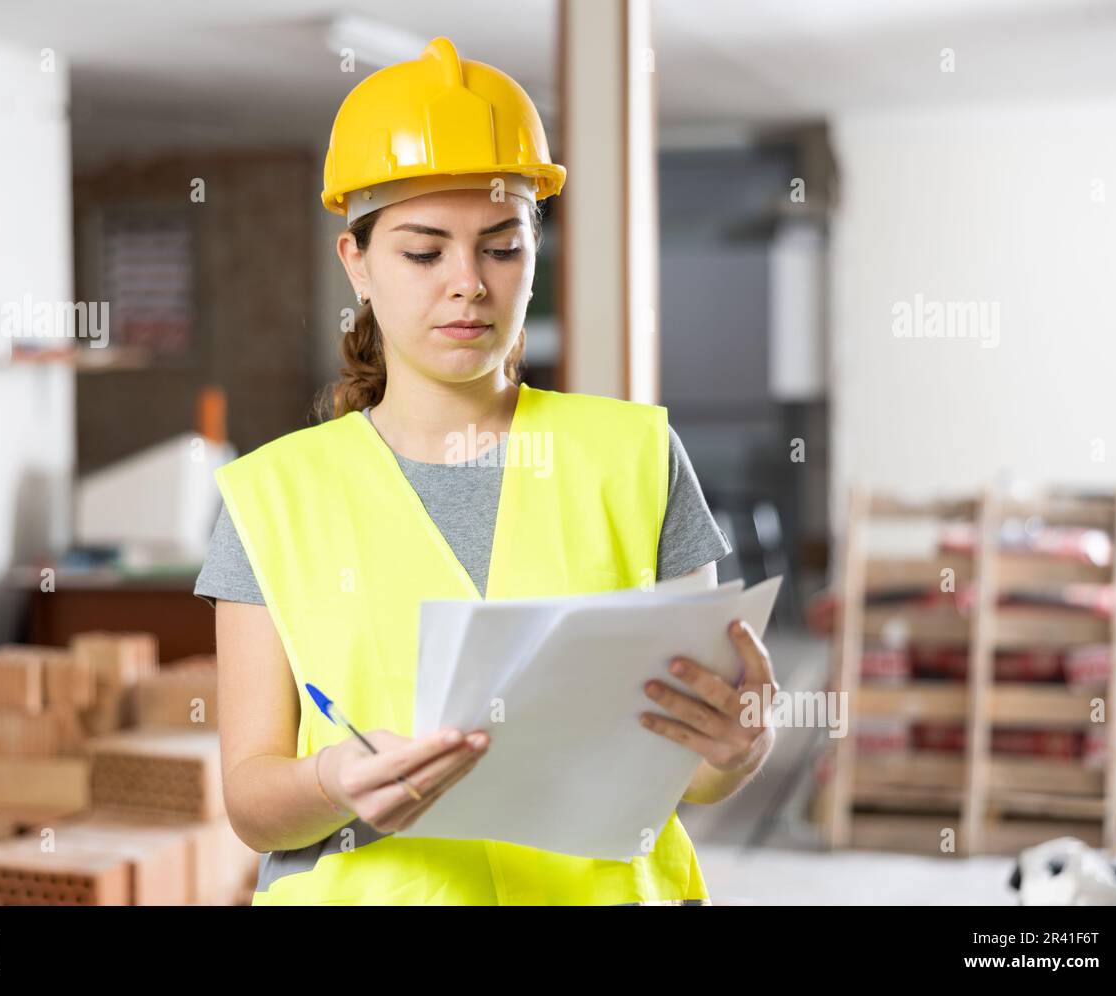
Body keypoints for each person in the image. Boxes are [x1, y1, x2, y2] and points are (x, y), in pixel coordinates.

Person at [195, 36, 780, 905]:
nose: (467, 284)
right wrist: (331, 784)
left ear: (535, 256)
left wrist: (740, 749)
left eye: (501, 248)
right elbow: (252, 801)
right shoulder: (271, 500)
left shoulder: (636, 459)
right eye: (424, 253)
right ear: (356, 263)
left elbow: (684, 770)